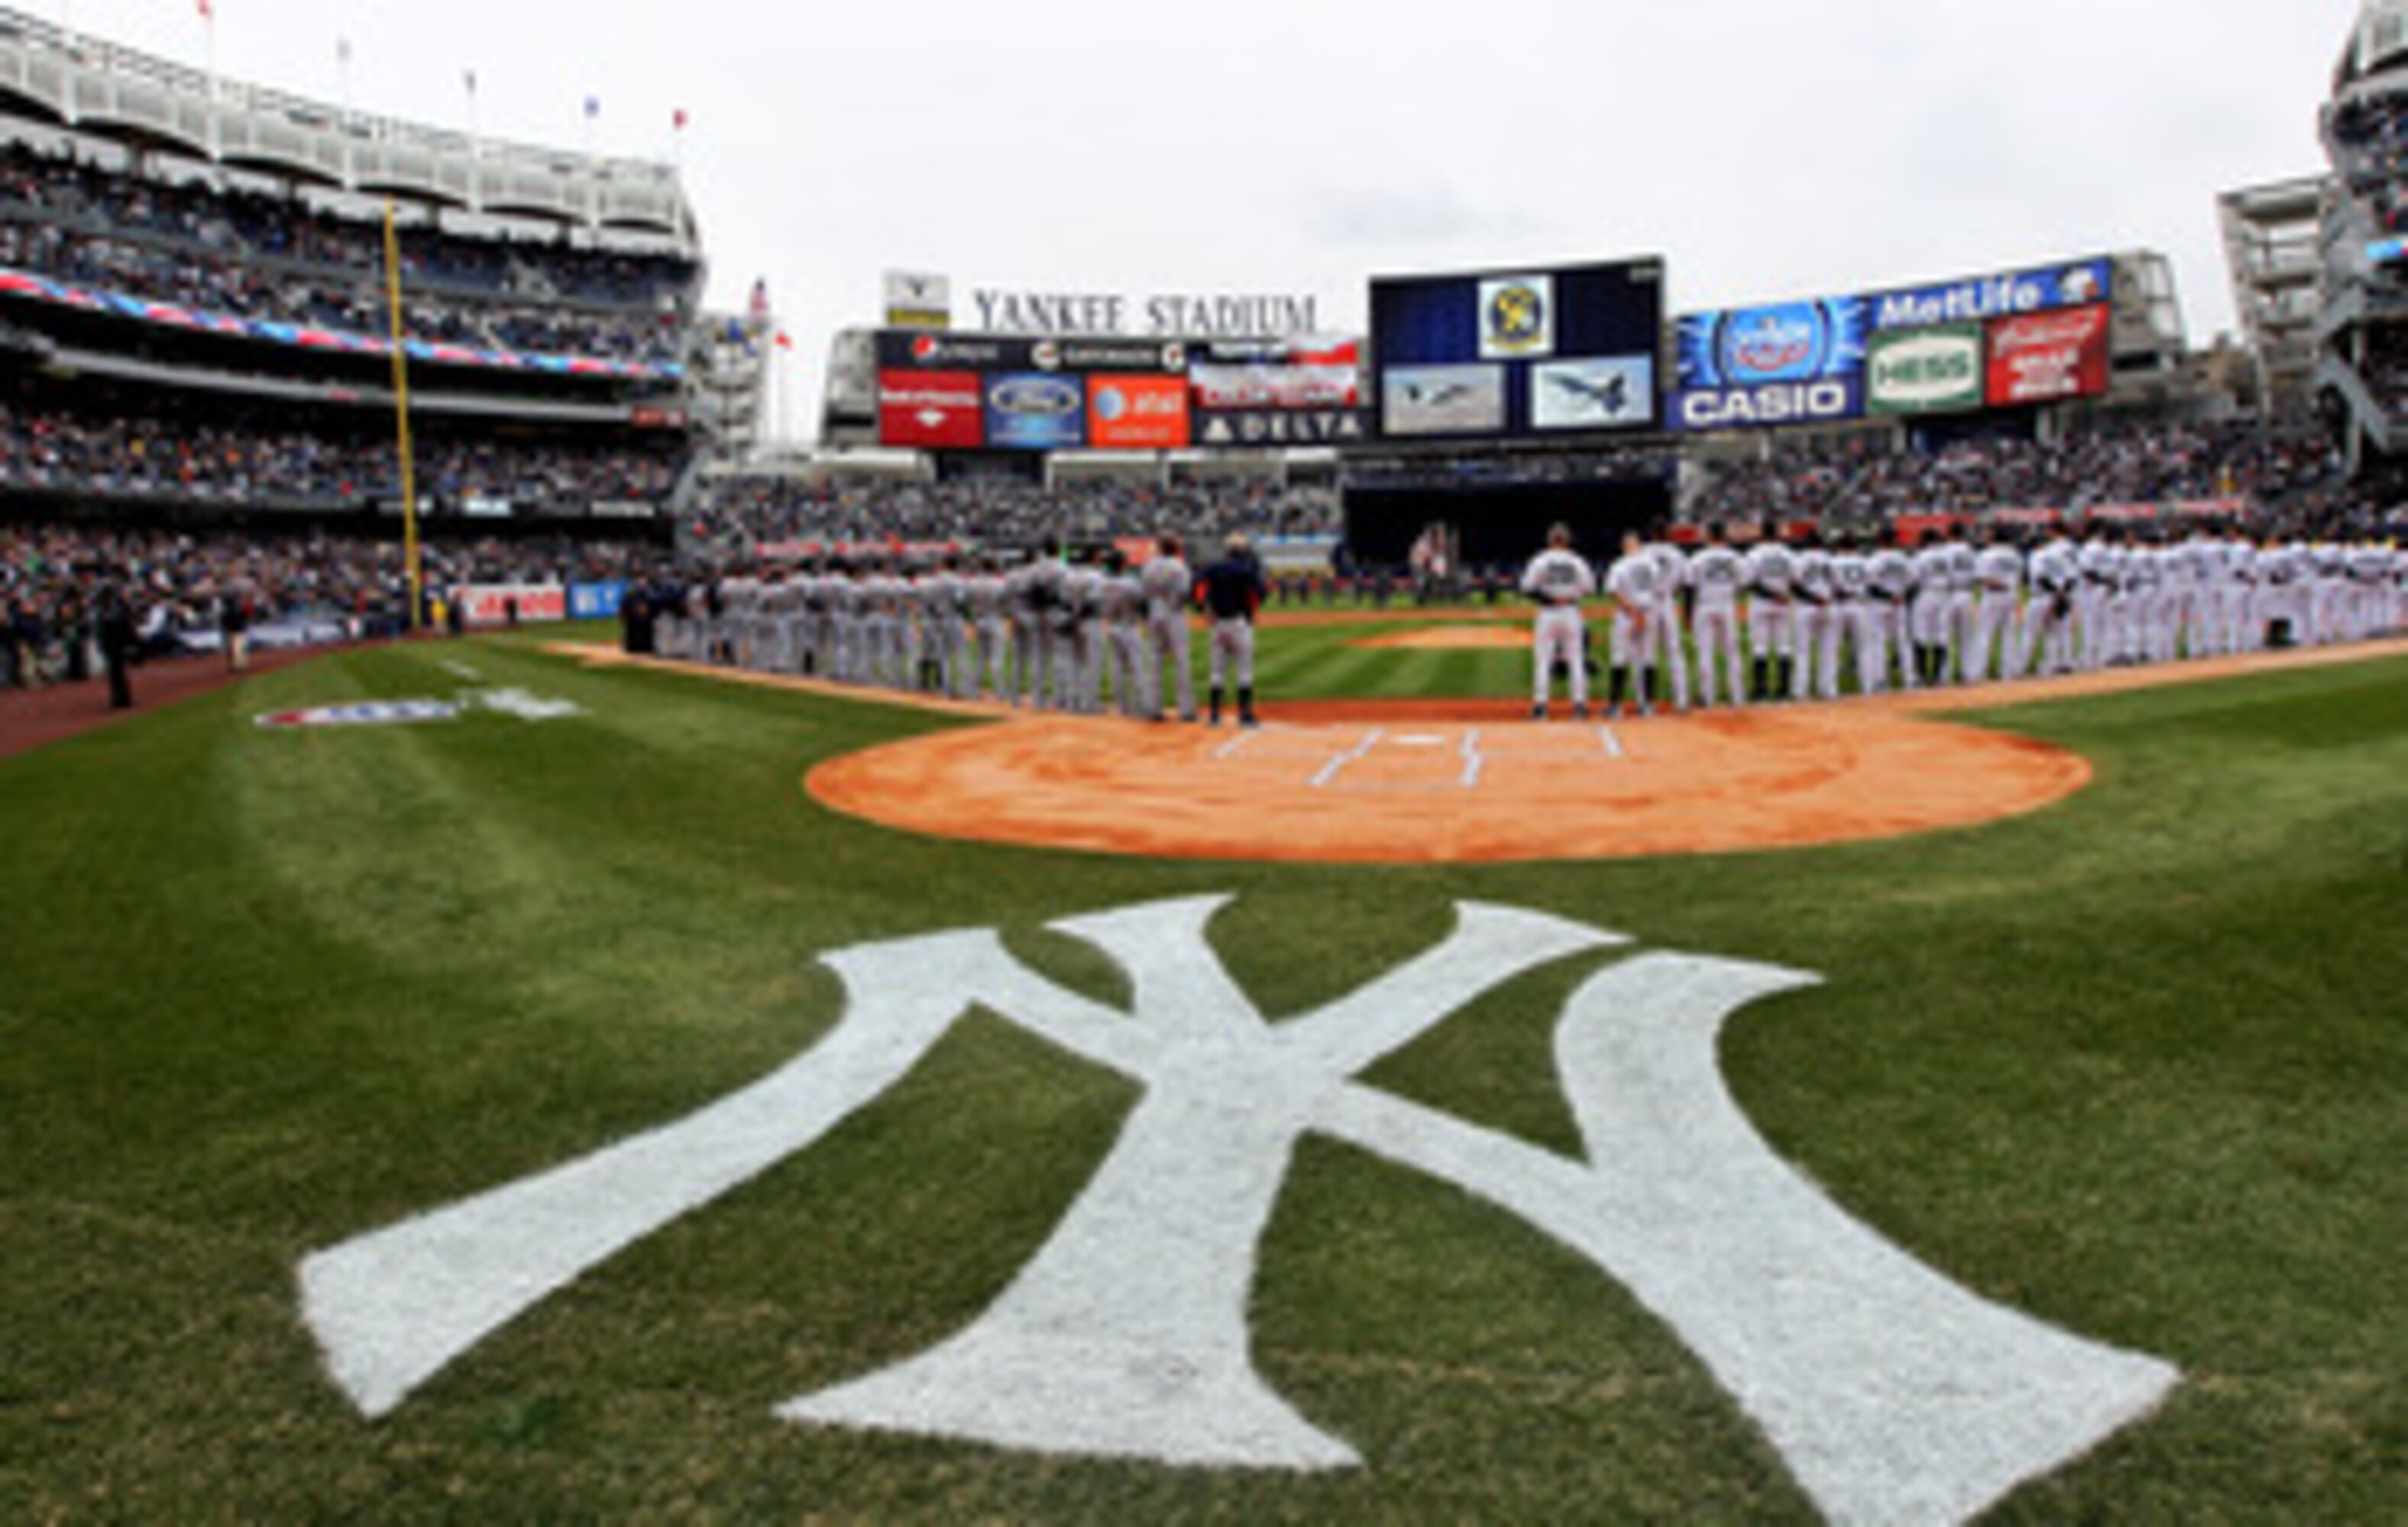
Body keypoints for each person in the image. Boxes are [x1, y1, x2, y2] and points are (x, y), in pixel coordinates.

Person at [1520, 523, 1598, 721]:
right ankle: (1579, 706)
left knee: (1543, 660)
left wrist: (1549, 598)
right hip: (1571, 610)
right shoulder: (1577, 561)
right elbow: (1590, 587)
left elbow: (1527, 587)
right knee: (1576, 659)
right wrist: (1570, 595)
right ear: (1567, 541)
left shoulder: (1541, 560)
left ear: (1550, 540)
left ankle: (1541, 707)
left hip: (1548, 612)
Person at [1194, 531, 1268, 727]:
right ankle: (1244, 714)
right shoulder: (1246, 569)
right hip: (1240, 621)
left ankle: (1215, 715)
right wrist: (1253, 607)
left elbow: (1196, 583)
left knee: (1217, 670)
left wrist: (1203, 608)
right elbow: (1261, 591)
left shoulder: (1214, 567)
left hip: (1218, 622)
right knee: (1244, 670)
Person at [1686, 522, 1747, 709]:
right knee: (1732, 651)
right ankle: (1737, 696)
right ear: (1724, 536)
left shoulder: (1698, 558)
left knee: (1705, 652)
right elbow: (1742, 583)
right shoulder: (1736, 558)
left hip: (1705, 604)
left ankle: (1708, 696)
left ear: (1709, 535)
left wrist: (1688, 615)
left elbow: (1690, 588)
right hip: (1727, 604)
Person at [1604, 529, 1663, 718]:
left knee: (1620, 656)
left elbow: (1613, 591)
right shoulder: (1653, 565)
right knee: (1648, 657)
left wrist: (1631, 611)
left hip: (1627, 614)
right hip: (1649, 612)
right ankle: (1646, 705)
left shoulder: (1620, 565)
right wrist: (1644, 613)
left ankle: (1616, 706)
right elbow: (1659, 591)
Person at [1139, 533, 1198, 722]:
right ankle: (1186, 709)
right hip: (1174, 612)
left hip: (1155, 610)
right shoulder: (1178, 565)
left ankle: (1152, 708)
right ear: (1175, 548)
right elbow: (1184, 591)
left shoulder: (1149, 565)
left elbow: (1145, 591)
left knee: (1155, 659)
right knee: (1181, 659)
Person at [95, 579, 137, 712]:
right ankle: (122, 697)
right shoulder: (113, 608)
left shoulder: (111, 610)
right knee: (117, 672)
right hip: (115, 644)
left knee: (116, 672)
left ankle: (120, 698)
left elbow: (121, 627)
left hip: (115, 644)